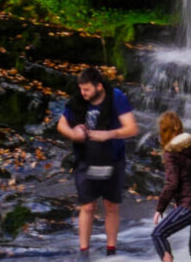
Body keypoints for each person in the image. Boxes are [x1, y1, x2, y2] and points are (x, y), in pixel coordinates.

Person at [57, 67, 138, 256]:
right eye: (81, 89)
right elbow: (61, 124)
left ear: (99, 86)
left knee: (111, 206)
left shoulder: (115, 97)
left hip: (113, 159)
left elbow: (132, 128)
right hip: (85, 159)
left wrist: (108, 134)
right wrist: (73, 134)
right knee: (87, 206)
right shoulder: (78, 99)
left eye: (86, 89)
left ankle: (111, 251)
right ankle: (84, 252)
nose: (83, 93)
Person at [150, 111, 191, 262]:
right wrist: (180, 202)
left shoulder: (171, 152)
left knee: (158, 234)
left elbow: (172, 183)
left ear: (164, 131)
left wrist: (160, 208)